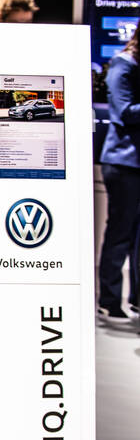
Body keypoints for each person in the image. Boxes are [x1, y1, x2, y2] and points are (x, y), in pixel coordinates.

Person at [96, 31, 140, 326]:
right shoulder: (122, 64)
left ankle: (136, 299)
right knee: (121, 231)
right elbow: (124, 112)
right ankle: (110, 300)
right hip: (124, 162)